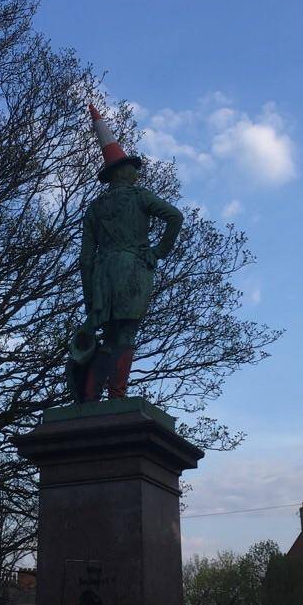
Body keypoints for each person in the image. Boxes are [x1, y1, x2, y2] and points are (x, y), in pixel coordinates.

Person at [74, 104, 183, 401]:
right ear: (122, 172)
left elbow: (85, 258)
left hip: (102, 276)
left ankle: (90, 395)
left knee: (108, 337)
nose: (136, 172)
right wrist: (159, 251)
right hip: (132, 268)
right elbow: (175, 217)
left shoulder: (94, 208)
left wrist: (91, 299)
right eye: (132, 168)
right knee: (125, 335)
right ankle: (117, 395)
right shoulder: (140, 197)